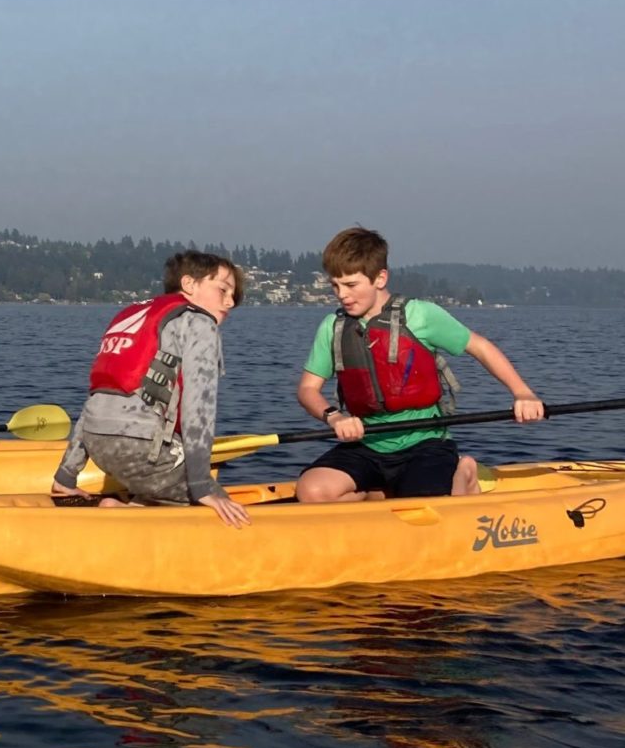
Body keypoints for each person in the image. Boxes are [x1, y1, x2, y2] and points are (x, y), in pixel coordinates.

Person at [294, 226, 545, 502]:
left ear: (380, 278)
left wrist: (522, 393)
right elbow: (307, 389)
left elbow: (481, 347)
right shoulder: (333, 327)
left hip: (425, 444)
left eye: (351, 285)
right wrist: (334, 417)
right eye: (335, 285)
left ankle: (462, 475)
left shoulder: (421, 315)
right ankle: (382, 492)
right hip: (367, 444)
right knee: (311, 492)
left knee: (418, 505)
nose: (341, 295)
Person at [50, 250, 251, 528]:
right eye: (223, 290)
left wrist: (66, 475)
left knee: (161, 490)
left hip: (99, 445)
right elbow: (199, 408)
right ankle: (131, 513)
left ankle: (129, 509)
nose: (230, 302)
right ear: (189, 284)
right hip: (144, 450)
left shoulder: (130, 317)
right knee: (223, 516)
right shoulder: (200, 323)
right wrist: (202, 487)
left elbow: (98, 396)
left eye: (233, 295)